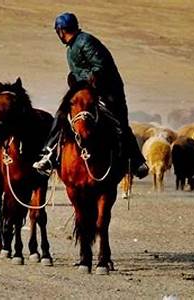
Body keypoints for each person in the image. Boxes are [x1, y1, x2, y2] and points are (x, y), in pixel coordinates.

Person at [33, 12, 149, 179]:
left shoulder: (85, 41)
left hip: (107, 91)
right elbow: (81, 70)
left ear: (61, 30)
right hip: (85, 91)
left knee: (118, 123)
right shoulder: (72, 47)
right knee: (61, 115)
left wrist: (87, 82)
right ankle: (48, 155)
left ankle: (136, 161)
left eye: (58, 31)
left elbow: (100, 66)